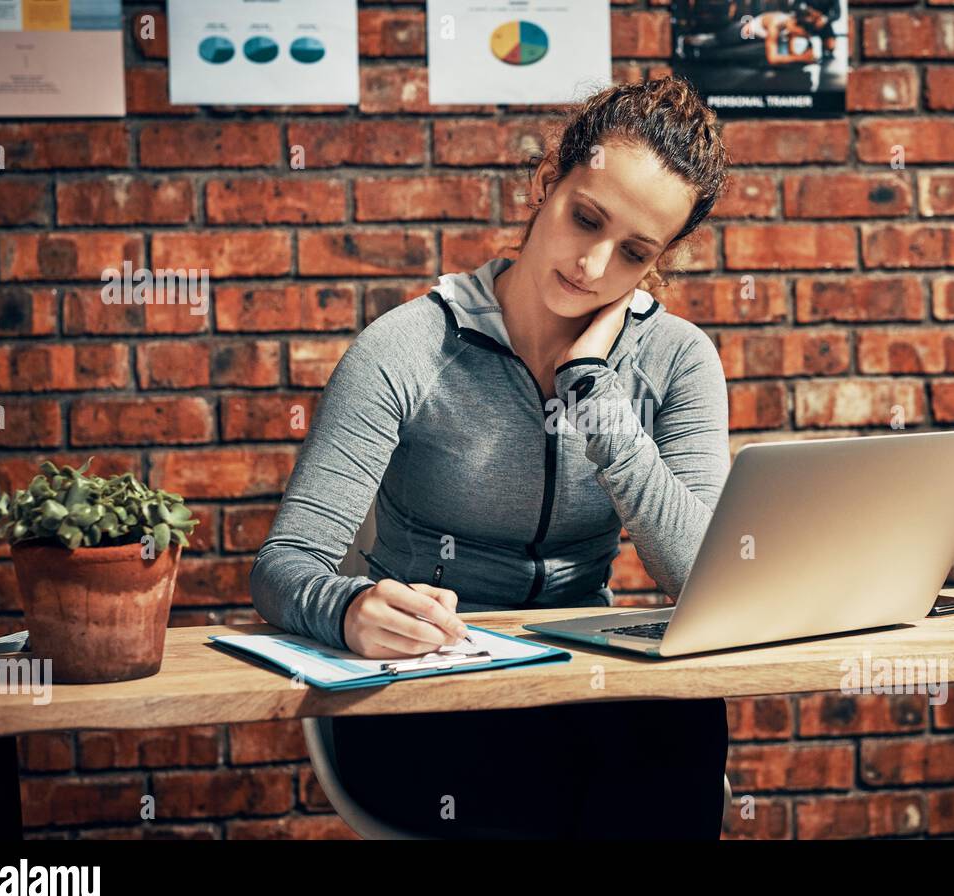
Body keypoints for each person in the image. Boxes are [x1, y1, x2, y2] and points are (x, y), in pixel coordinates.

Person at [249, 76, 734, 839]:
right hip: (424, 697)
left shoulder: (676, 360)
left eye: (634, 251)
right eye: (585, 218)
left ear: (660, 259)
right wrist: (349, 609)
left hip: (582, 690)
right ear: (547, 183)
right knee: (555, 773)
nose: (593, 264)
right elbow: (283, 564)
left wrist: (593, 391)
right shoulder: (406, 348)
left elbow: (704, 581)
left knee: (675, 727)